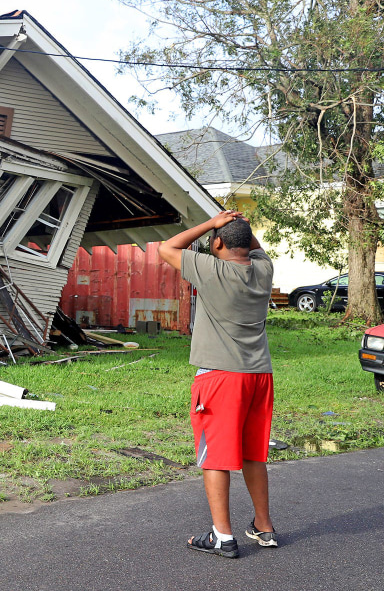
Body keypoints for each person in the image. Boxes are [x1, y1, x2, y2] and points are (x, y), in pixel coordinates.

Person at [158, 210, 278, 559]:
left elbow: (167, 248)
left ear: (218, 244)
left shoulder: (211, 269)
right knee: (252, 453)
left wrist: (213, 223)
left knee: (216, 457)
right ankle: (264, 527)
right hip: (259, 375)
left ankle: (222, 537)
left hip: (220, 377)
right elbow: (253, 247)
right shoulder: (263, 269)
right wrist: (238, 228)